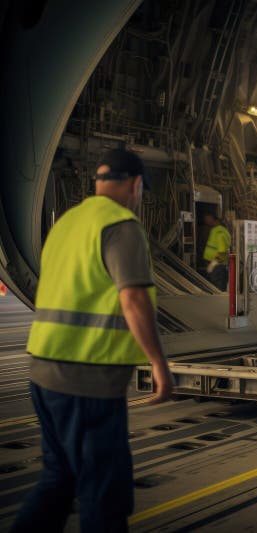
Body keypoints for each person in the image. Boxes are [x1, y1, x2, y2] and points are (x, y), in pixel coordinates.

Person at [14, 149, 174, 532]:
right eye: (141, 192)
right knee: (105, 491)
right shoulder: (121, 224)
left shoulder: (67, 223)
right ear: (135, 185)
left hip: (43, 371)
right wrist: (158, 363)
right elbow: (133, 299)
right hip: (88, 380)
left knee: (59, 479)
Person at [202, 212, 231, 291]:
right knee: (214, 286)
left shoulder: (219, 232)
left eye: (207, 218)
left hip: (217, 266)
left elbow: (222, 251)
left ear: (213, 219)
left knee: (217, 288)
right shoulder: (216, 230)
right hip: (216, 265)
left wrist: (213, 264)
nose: (205, 221)